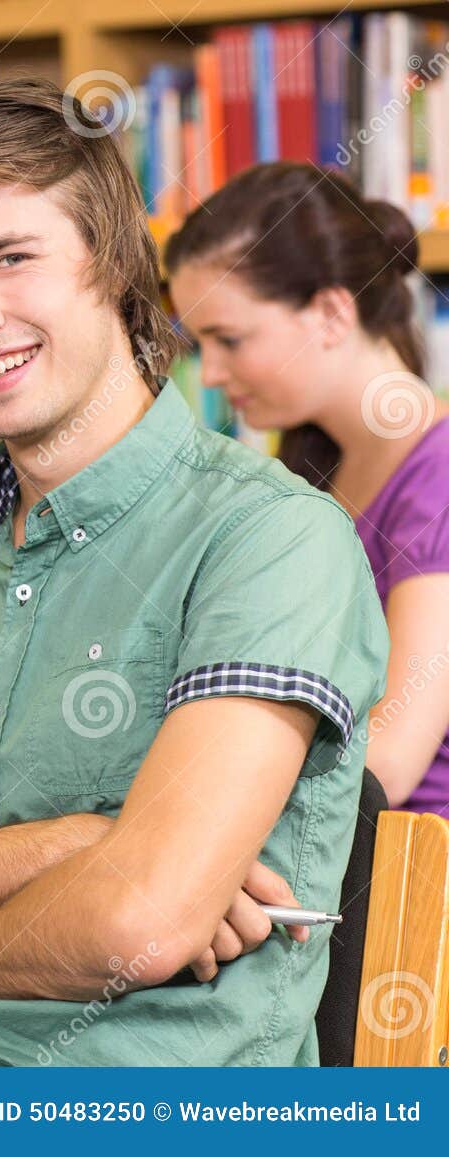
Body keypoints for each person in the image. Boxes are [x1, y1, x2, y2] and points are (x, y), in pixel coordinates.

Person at [0, 77, 389, 1066]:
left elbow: (139, 924)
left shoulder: (272, 540)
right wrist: (81, 841)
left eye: (11, 258)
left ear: (116, 260)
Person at [166, 162, 449, 817]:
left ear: (330, 312)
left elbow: (390, 758)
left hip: (406, 861)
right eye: (200, 344)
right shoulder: (312, 464)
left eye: (228, 339)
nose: (209, 374)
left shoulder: (437, 475)